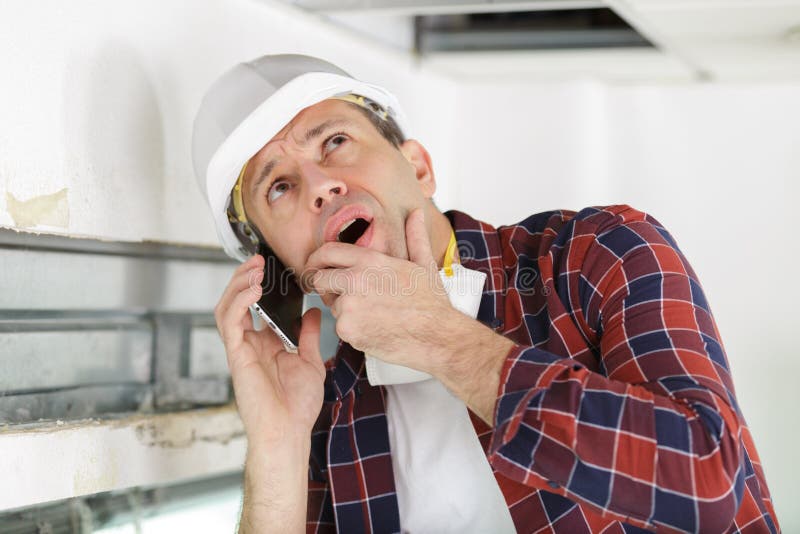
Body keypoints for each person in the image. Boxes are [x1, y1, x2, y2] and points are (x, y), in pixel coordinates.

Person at [192, 54, 778, 533]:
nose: (321, 186)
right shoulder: (326, 408)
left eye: (335, 142)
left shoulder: (598, 254)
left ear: (419, 168)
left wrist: (438, 339)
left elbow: (707, 483)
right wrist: (278, 447)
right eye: (280, 188)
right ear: (285, 266)